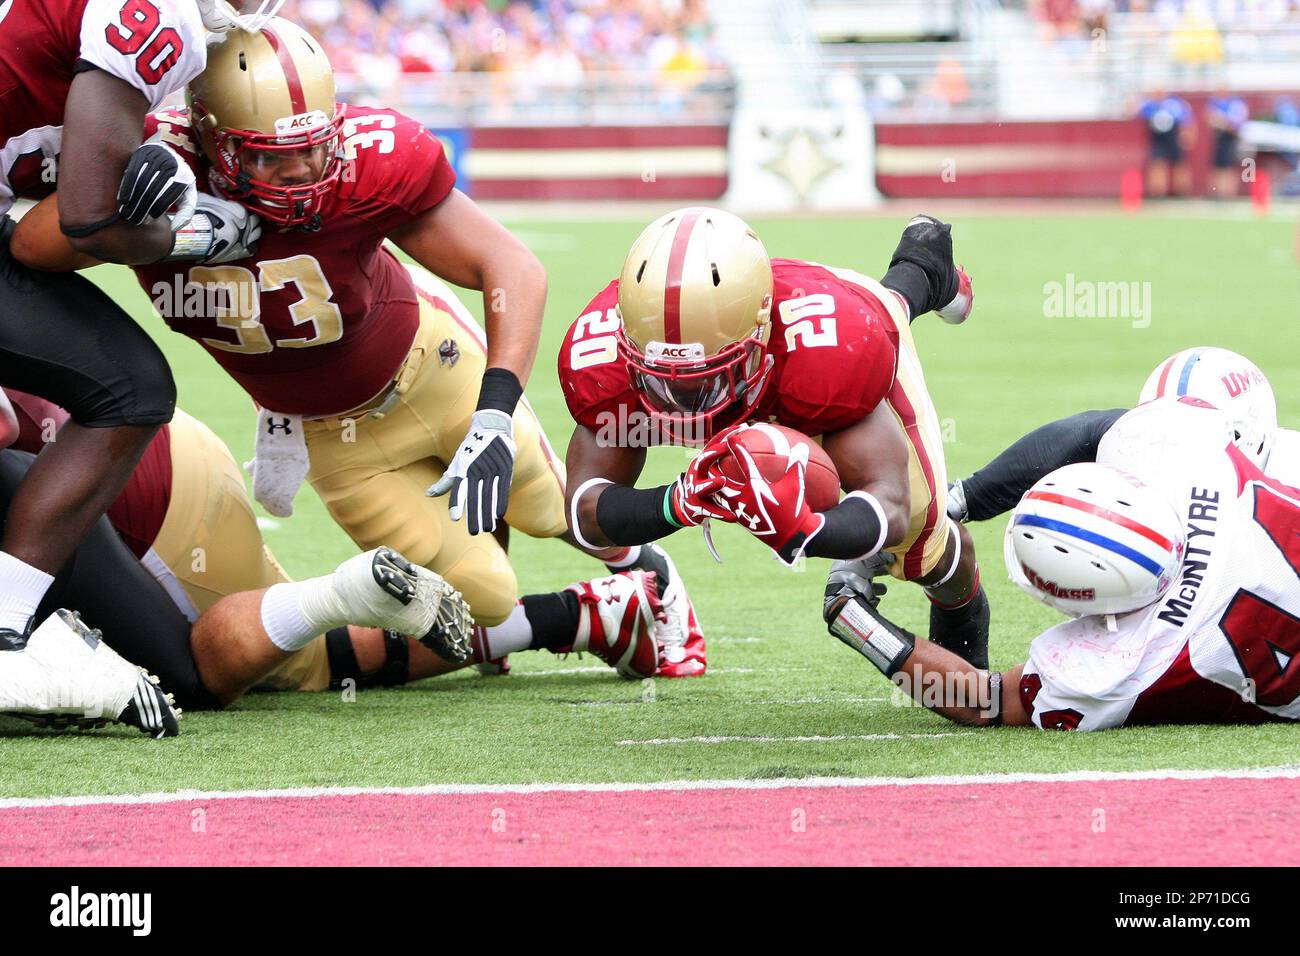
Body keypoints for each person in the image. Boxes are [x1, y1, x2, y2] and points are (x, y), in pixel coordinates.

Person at [11, 17, 707, 677]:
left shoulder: (371, 160)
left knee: (559, 508)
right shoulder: (164, 169)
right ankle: (579, 615)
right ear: (215, 143)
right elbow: (37, 244)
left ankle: (658, 582)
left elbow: (513, 267)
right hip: (330, 438)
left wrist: (496, 410)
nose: (308, 169)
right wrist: (157, 224)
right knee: (483, 596)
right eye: (275, 158)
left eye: (316, 145)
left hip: (429, 369)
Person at [556, 206, 990, 668]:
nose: (684, 402)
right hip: (772, 355)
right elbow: (585, 516)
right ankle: (921, 265)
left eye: (705, 380)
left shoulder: (831, 347)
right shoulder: (602, 361)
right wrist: (679, 501)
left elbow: (891, 505)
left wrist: (806, 532)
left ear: (760, 333)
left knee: (924, 545)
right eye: (663, 379)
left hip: (822, 334)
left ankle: (923, 266)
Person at [0, 0, 276, 725]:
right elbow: (89, 219)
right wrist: (191, 238)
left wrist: (167, 193)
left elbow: (33, 234)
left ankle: (9, 622)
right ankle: (5, 634)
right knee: (129, 387)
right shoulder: (163, 17)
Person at [824, 398, 1300, 730]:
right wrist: (957, 500)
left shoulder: (1114, 669)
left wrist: (854, 620)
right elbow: (1091, 430)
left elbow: (982, 702)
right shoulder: (1193, 460)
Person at [1137, 90, 1196, 198]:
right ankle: (1158, 192)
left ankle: (1182, 192)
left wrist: (1187, 135)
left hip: (1174, 137)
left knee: (1179, 164)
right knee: (1157, 165)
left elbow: (1186, 120)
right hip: (1158, 139)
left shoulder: (1175, 104)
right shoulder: (1149, 105)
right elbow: (1136, 112)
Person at [1206, 90, 1249, 199]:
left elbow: (1236, 126)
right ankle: (1217, 193)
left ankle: (1229, 194)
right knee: (1217, 166)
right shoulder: (1215, 103)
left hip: (1231, 140)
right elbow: (1210, 120)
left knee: (1229, 166)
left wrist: (1224, 123)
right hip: (1220, 139)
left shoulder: (1235, 105)